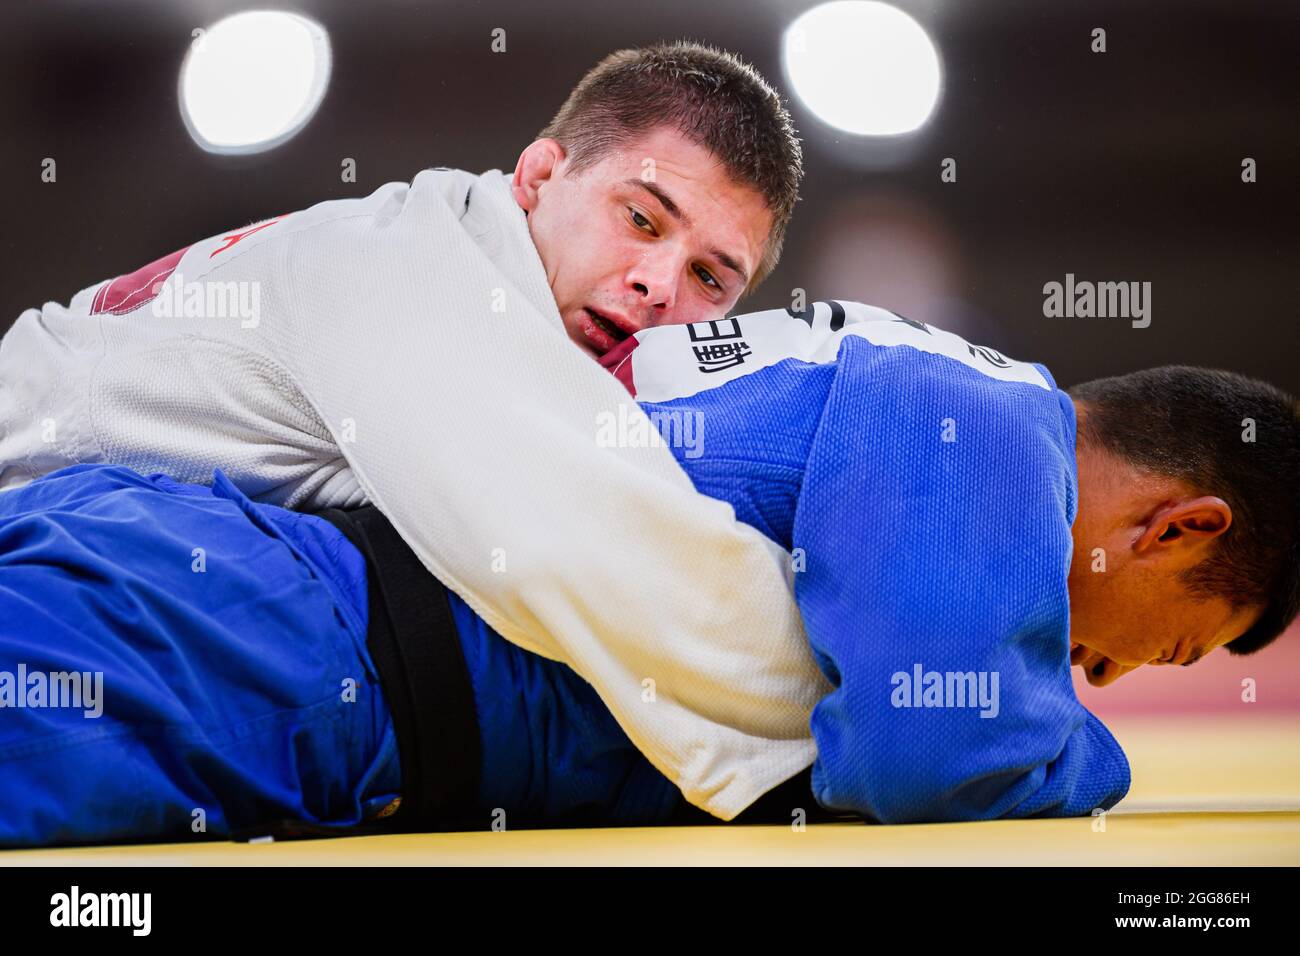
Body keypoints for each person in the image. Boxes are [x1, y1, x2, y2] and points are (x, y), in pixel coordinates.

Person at [5, 300, 1294, 846]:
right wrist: (1089, 756)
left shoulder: (936, 406)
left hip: (254, 636)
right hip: (244, 639)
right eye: (1162, 647)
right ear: (1178, 524)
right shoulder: (985, 429)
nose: (1103, 675)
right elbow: (938, 753)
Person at [0, 41, 833, 822]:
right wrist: (871, 707)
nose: (657, 285)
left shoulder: (427, 244)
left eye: (709, 277)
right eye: (642, 221)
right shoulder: (421, 283)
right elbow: (612, 567)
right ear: (541, 174)